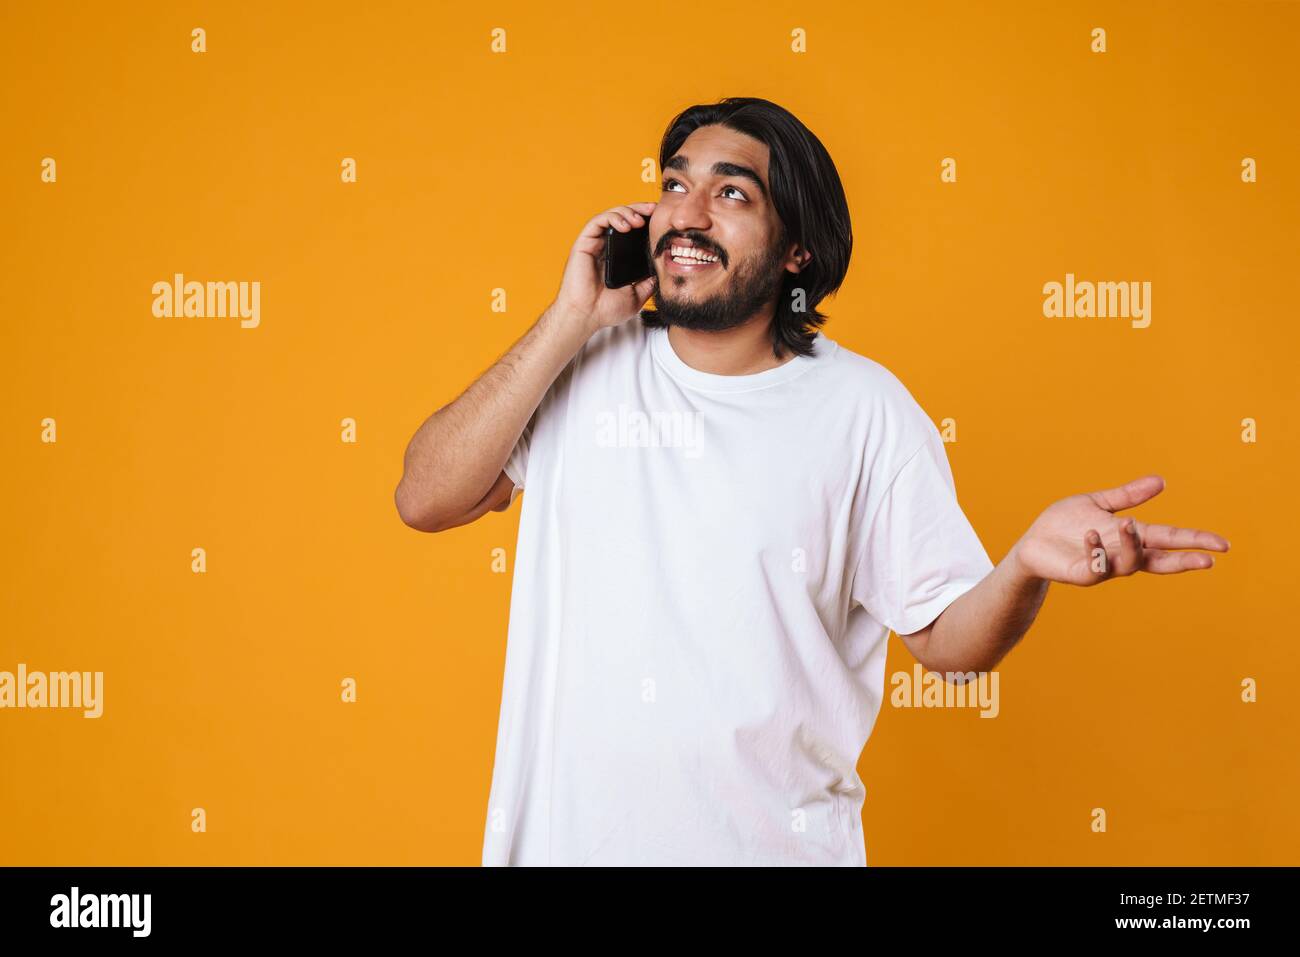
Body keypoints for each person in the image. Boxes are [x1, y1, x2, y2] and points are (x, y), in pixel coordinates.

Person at [394, 97, 1230, 866]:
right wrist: (568, 318)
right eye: (675, 184)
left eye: (731, 194)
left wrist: (1021, 570)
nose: (685, 212)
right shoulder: (580, 366)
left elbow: (946, 643)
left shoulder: (864, 409)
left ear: (798, 247)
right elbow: (424, 497)